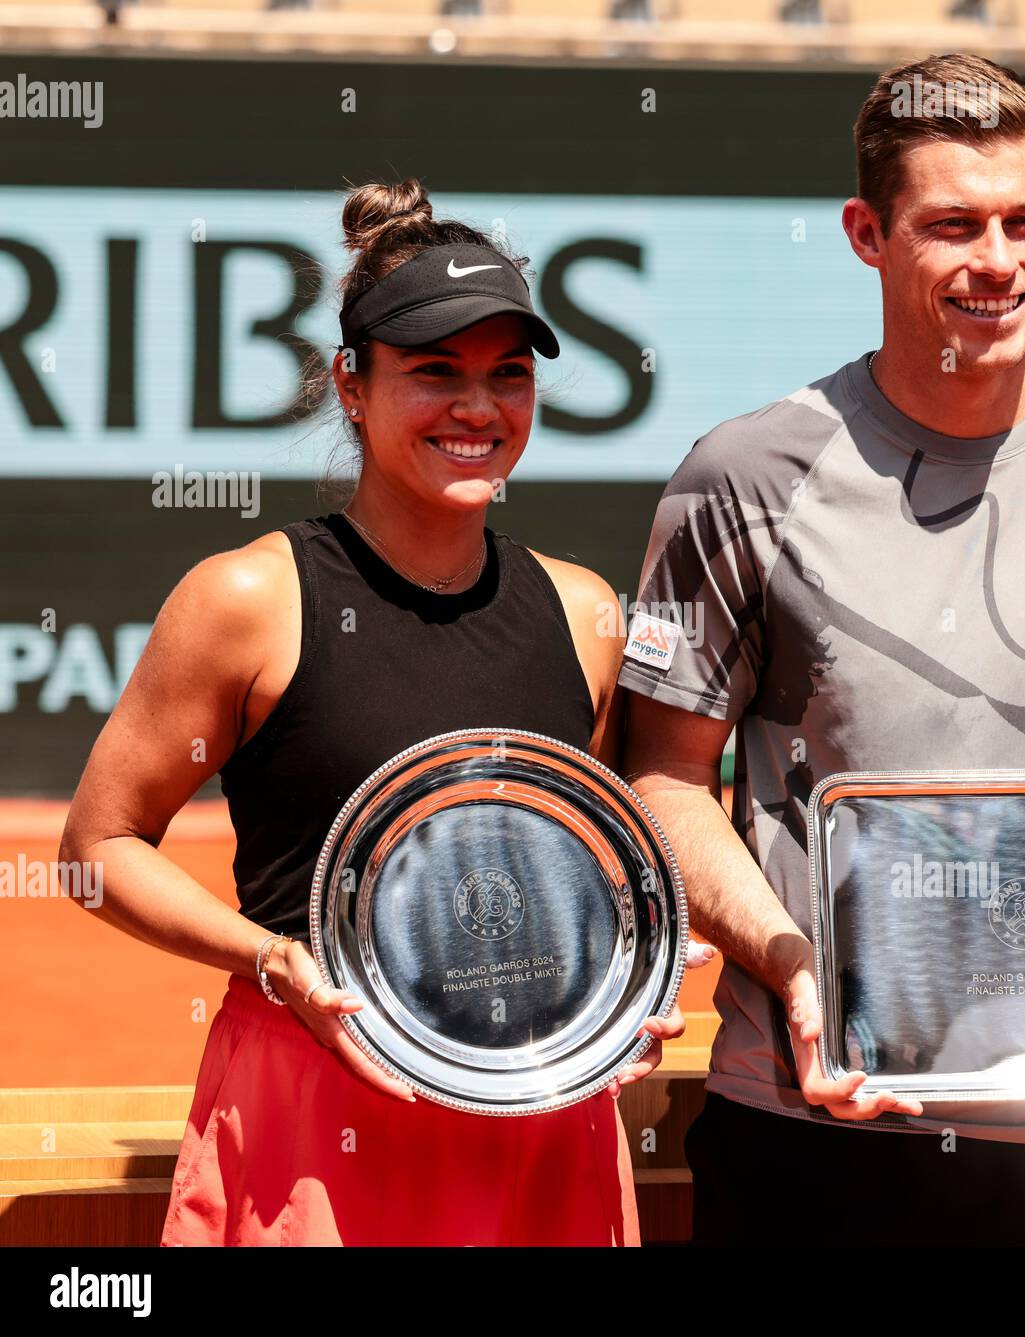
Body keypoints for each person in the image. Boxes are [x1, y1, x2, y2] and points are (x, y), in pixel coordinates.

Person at [618, 53, 1025, 1248]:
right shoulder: (745, 474)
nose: (998, 262)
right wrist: (796, 960)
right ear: (867, 232)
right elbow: (663, 779)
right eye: (952, 225)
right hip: (813, 1129)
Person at [59, 178, 696, 1247]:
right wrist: (275, 961)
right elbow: (95, 847)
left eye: (507, 375)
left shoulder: (586, 612)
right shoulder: (248, 599)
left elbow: (595, 869)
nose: (477, 408)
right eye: (433, 373)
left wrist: (624, 998)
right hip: (314, 1110)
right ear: (350, 386)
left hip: (538, 1113)